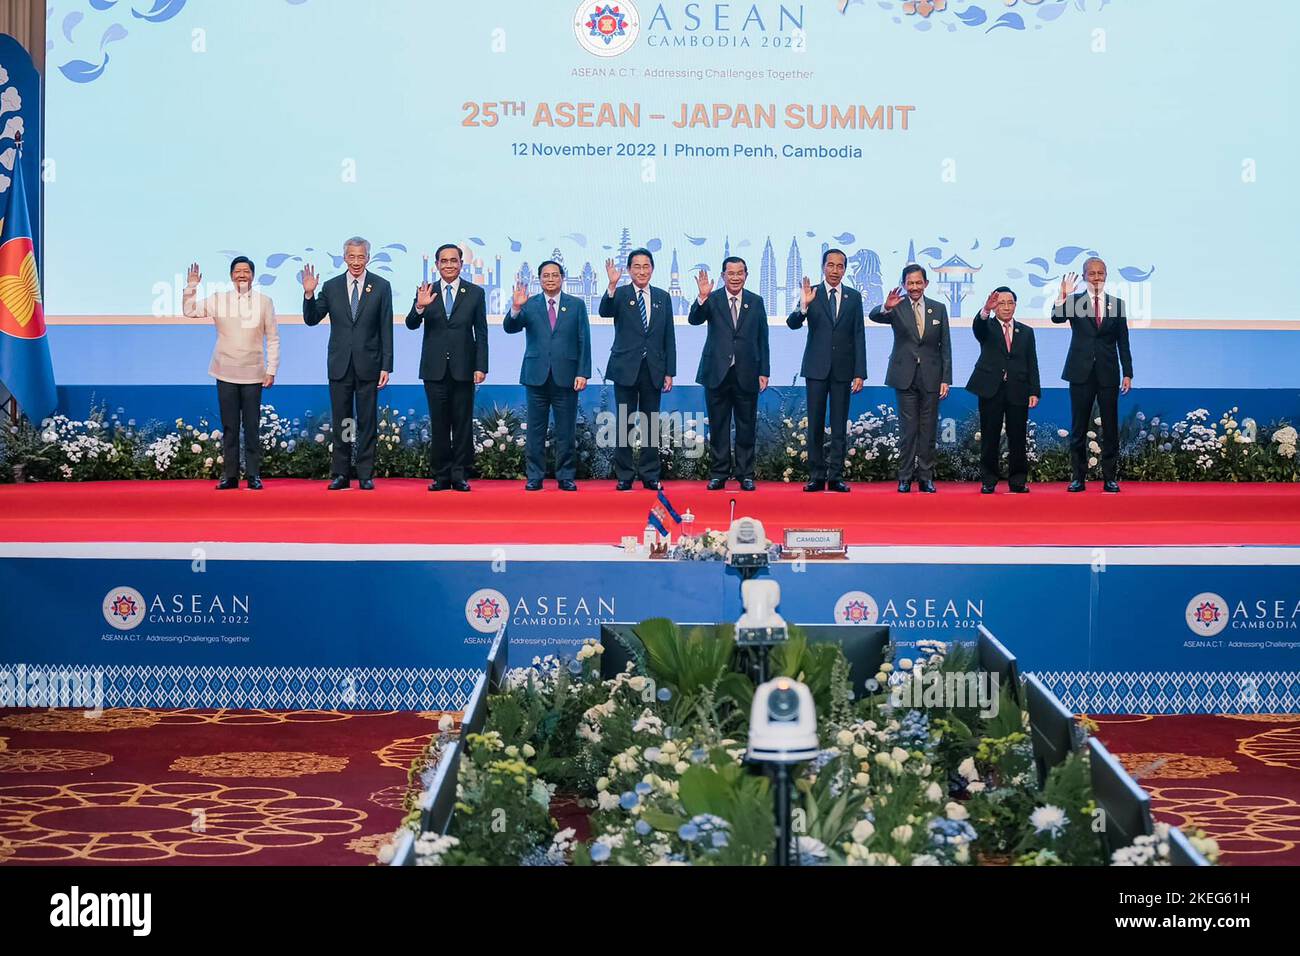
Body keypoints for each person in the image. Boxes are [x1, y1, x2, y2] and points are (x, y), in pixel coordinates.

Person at [301, 237, 393, 490]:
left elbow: (386, 328)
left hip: (370, 364)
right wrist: (309, 294)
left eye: (360, 256)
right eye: (351, 257)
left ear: (368, 257)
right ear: (344, 258)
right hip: (340, 364)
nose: (355, 262)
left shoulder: (381, 286)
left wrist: (386, 365)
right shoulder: (331, 287)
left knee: (367, 421)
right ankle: (341, 473)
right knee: (343, 421)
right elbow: (312, 318)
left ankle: (365, 474)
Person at [183, 256, 279, 490]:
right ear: (231, 276)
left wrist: (271, 369)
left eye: (246, 271)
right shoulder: (219, 299)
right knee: (230, 427)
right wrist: (191, 287)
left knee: (252, 426)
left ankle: (254, 475)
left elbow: (273, 338)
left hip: (253, 373)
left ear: (253, 276)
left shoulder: (264, 302)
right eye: (238, 271)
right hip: (225, 371)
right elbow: (189, 311)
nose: (242, 275)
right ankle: (231, 476)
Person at [503, 260, 590, 491]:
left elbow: (584, 341)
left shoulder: (577, 305)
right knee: (535, 430)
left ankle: (565, 477)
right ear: (539, 279)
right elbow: (510, 327)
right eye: (545, 276)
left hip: (567, 376)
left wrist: (583, 372)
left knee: (566, 431)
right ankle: (535, 477)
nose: (550, 279)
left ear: (562, 278)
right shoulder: (529, 304)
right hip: (536, 376)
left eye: (554, 275)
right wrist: (516, 308)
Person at [407, 243, 488, 492]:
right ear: (437, 265)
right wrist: (420, 306)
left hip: (464, 369)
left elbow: (481, 333)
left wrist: (481, 366)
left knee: (462, 424)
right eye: (444, 261)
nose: (449, 265)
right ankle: (441, 476)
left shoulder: (474, 292)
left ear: (461, 264)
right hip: (434, 370)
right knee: (439, 424)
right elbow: (411, 323)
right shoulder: (426, 291)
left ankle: (460, 474)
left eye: (454, 260)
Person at [1051, 257, 1133, 493]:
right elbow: (1056, 318)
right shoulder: (1075, 302)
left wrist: (1128, 372)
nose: (1096, 278)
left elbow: (1123, 342)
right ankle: (1078, 477)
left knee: (1110, 427)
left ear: (1106, 275)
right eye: (1092, 274)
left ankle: (1109, 478)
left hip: (1108, 373)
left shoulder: (1116, 304)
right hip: (1080, 372)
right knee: (1078, 428)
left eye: (1101, 273)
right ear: (1085, 276)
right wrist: (1063, 295)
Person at [787, 248, 866, 492]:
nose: (834, 270)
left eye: (839, 266)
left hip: (843, 370)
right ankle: (817, 476)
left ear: (845, 269)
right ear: (823, 267)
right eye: (830, 265)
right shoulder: (812, 293)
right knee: (815, 425)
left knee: (840, 425)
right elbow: (792, 324)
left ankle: (836, 477)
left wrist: (859, 372)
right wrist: (804, 307)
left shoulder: (853, 297)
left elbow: (858, 335)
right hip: (816, 368)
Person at [869, 264, 951, 493]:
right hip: (904, 376)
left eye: (918, 282)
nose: (914, 287)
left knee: (928, 430)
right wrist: (886, 306)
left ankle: (926, 478)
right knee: (908, 430)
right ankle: (904, 477)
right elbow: (874, 315)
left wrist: (946, 378)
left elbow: (946, 347)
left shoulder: (939, 308)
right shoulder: (897, 306)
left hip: (932, 377)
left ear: (926, 283)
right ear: (904, 284)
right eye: (910, 283)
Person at [689, 256, 769, 491]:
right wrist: (702, 298)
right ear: (723, 275)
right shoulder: (712, 299)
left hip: (747, 371)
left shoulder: (756, 301)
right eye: (730, 273)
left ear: (746, 275)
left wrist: (764, 370)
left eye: (740, 273)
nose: (735, 277)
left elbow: (762, 338)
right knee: (718, 425)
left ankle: (745, 474)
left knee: (746, 425)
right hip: (717, 372)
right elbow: (695, 319)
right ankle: (719, 473)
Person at [599, 248, 675, 491]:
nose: (642, 271)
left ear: (652, 269)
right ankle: (624, 475)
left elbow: (668, 337)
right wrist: (611, 286)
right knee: (625, 423)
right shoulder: (620, 294)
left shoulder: (663, 297)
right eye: (637, 267)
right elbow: (604, 311)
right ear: (629, 270)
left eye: (646, 266)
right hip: (625, 368)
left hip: (653, 368)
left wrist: (669, 371)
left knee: (650, 423)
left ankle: (650, 474)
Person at [966, 287, 1040, 494]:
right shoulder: (987, 326)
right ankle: (989, 480)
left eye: (1010, 303)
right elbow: (978, 328)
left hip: (1018, 389)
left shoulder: (1026, 331)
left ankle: (1017, 481)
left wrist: (1034, 391)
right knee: (990, 437)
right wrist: (985, 310)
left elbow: (1032, 362)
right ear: (995, 306)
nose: (1006, 307)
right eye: (1001, 303)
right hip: (991, 389)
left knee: (1018, 437)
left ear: (1015, 305)